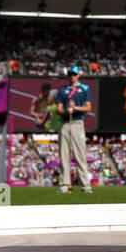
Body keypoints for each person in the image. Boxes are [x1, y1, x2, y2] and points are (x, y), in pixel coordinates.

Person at [55, 66, 93, 194]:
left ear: (78, 75)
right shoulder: (62, 90)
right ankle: (64, 185)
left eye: (74, 74)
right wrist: (65, 111)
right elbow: (58, 108)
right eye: (70, 74)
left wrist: (75, 108)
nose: (72, 76)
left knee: (80, 154)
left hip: (77, 123)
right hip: (65, 123)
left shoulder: (85, 89)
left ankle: (85, 186)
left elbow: (88, 108)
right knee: (64, 154)